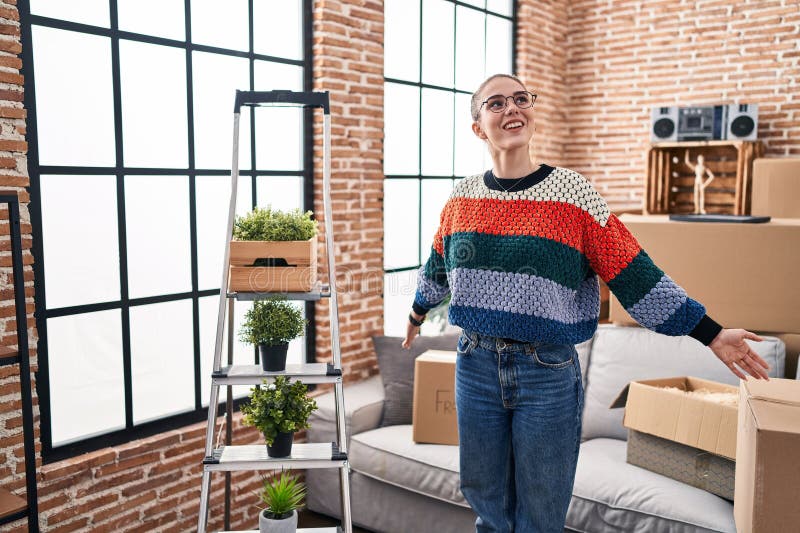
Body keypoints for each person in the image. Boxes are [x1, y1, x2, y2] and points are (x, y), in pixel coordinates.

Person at [401, 73, 770, 533]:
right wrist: (417, 312)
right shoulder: (462, 196)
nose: (512, 108)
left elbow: (635, 273)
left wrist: (710, 333)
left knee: (540, 513)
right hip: (474, 365)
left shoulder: (572, 194)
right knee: (487, 506)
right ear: (478, 126)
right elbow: (439, 262)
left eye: (521, 99)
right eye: (496, 104)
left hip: (547, 373)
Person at [685, 149, 715, 214]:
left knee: (702, 196)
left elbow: (712, 176)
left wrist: (705, 184)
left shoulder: (704, 167)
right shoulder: (696, 167)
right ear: (698, 160)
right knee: (696, 196)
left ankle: (702, 209)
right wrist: (687, 153)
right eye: (700, 159)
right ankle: (696, 209)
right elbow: (687, 162)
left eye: (702, 159)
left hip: (701, 182)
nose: (701, 160)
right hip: (696, 182)